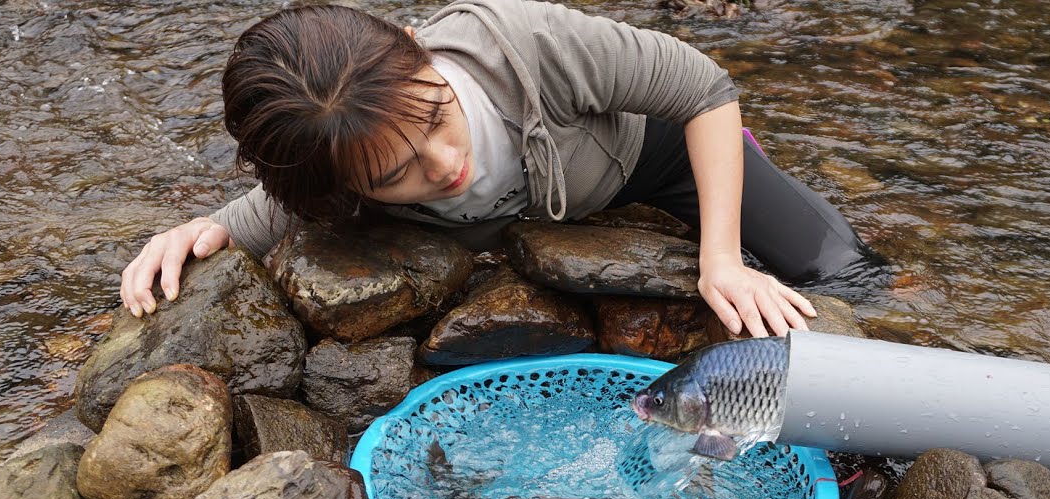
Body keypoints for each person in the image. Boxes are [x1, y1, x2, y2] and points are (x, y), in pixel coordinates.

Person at [119, 0, 870, 338]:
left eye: (438, 116)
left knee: (841, 271)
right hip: (545, 212)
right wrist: (195, 233)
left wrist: (719, 262)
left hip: (654, 155)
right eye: (395, 177)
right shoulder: (325, 179)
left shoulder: (528, 43)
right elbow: (259, 216)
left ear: (418, 46)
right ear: (343, 188)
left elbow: (702, 88)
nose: (446, 166)